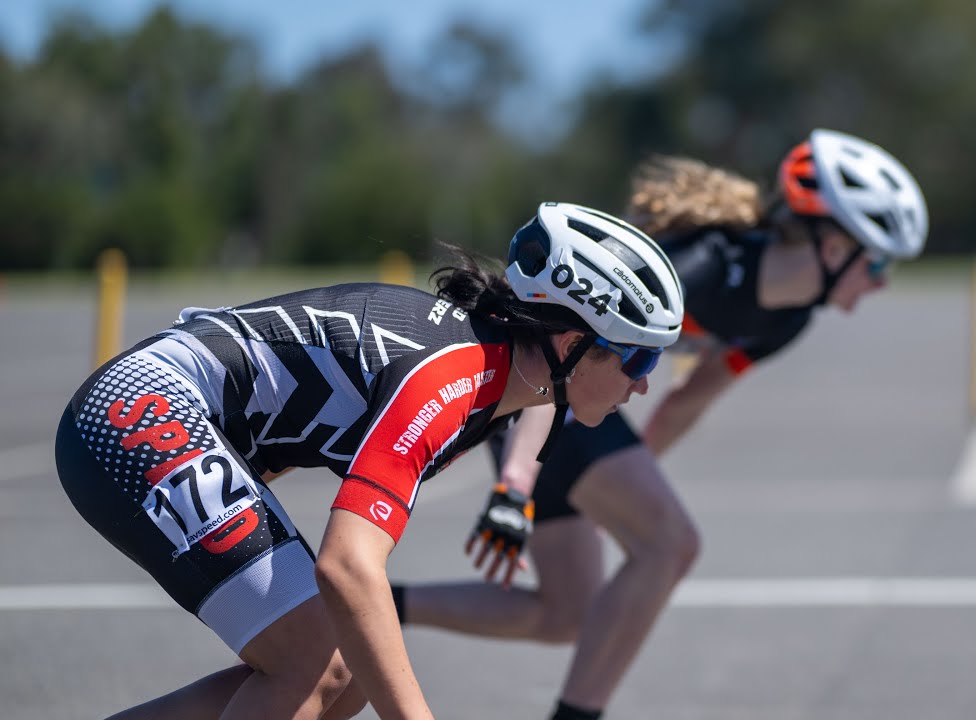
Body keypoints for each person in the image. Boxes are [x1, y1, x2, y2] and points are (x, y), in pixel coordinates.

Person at [54, 201, 684, 720]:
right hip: (141, 409)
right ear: (572, 345)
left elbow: (286, 437)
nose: (644, 383)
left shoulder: (499, 375)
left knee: (347, 672)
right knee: (318, 662)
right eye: (640, 357)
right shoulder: (452, 382)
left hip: (159, 412)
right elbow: (348, 565)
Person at [392, 129, 929, 719]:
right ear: (833, 248)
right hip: (540, 395)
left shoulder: (789, 319)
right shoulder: (707, 264)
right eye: (877, 262)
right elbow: (555, 345)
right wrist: (515, 484)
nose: (882, 282)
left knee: (566, 614)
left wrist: (625, 489)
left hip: (572, 408)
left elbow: (688, 402)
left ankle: (381, 606)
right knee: (671, 544)